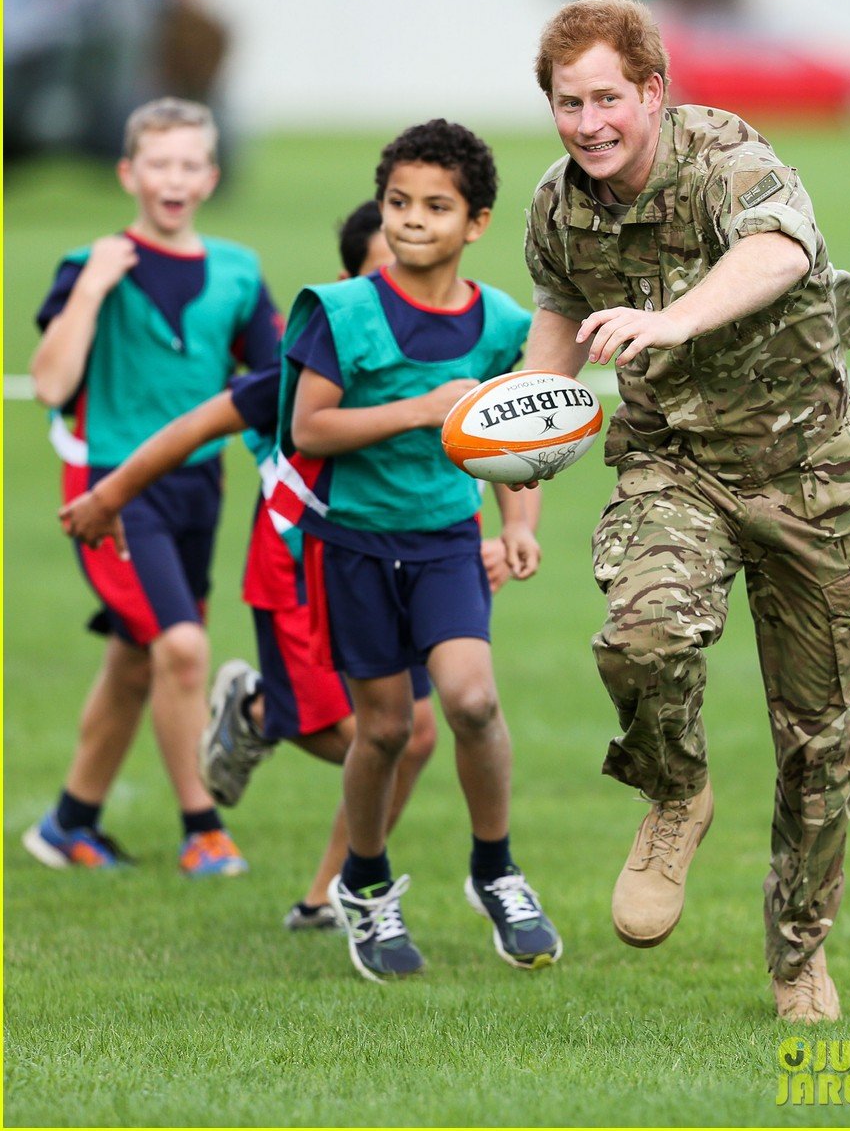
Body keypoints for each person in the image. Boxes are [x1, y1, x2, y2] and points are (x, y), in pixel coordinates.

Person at [521, 0, 850, 1022]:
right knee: (641, 637)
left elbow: (779, 252)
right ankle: (674, 788)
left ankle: (798, 956)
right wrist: (514, 426)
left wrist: (668, 319)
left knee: (816, 737)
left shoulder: (725, 157)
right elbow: (556, 321)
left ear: (651, 92)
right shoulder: (557, 205)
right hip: (673, 464)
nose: (587, 122)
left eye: (605, 99)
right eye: (565, 102)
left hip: (811, 475)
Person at [59, 199, 541, 929]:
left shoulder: (462, 349)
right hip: (301, 571)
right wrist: (110, 494)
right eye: (387, 268)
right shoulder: (318, 360)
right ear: (351, 285)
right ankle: (259, 713)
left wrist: (504, 535)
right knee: (365, 738)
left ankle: (329, 896)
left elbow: (491, 453)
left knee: (414, 735)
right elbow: (199, 423)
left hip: (418, 561)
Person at [274, 119, 562, 982]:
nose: (411, 219)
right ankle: (363, 884)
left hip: (445, 541)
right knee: (388, 728)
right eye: (399, 202)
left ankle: (495, 867)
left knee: (472, 702)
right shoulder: (342, 311)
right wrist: (417, 408)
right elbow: (308, 427)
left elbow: (514, 442)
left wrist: (519, 526)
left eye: (437, 206)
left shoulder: (504, 322)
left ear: (475, 223)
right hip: (354, 544)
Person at [25, 96, 282, 877]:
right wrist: (96, 284)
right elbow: (49, 382)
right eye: (157, 163)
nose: (173, 178)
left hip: (197, 491)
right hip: (110, 490)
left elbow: (272, 381)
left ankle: (70, 823)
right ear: (128, 172)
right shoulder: (89, 265)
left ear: (208, 175)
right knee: (180, 646)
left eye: (188, 163)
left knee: (139, 659)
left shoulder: (237, 271)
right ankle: (202, 826)